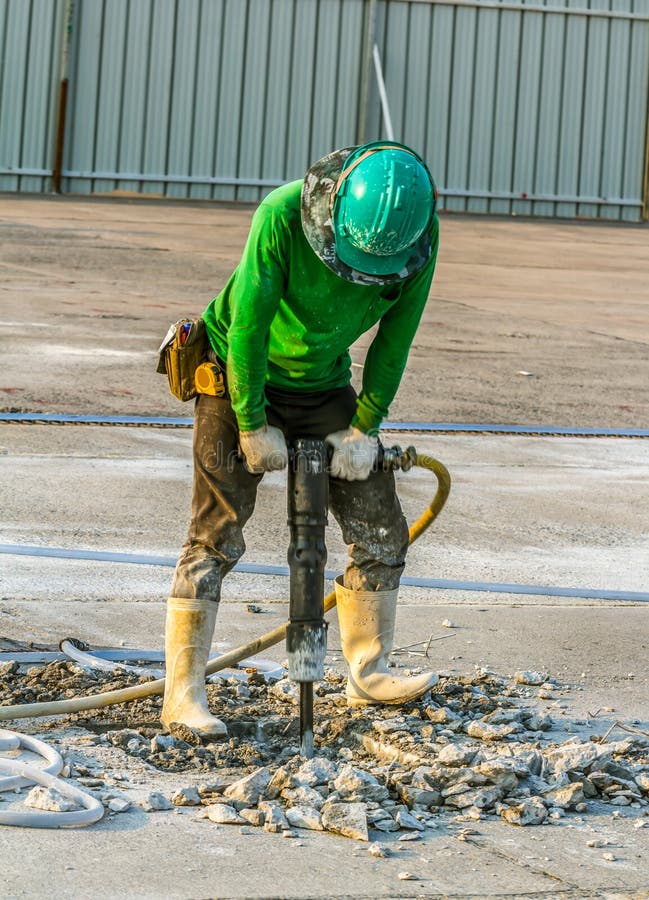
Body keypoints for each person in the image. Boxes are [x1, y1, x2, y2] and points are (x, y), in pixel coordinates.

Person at [161, 141, 441, 739]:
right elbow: (249, 326)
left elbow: (396, 340)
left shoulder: (418, 241)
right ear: (332, 212)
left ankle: (368, 672)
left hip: (322, 383)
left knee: (379, 524)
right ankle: (181, 693)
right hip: (237, 368)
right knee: (217, 529)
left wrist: (364, 428)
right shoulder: (282, 215)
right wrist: (252, 421)